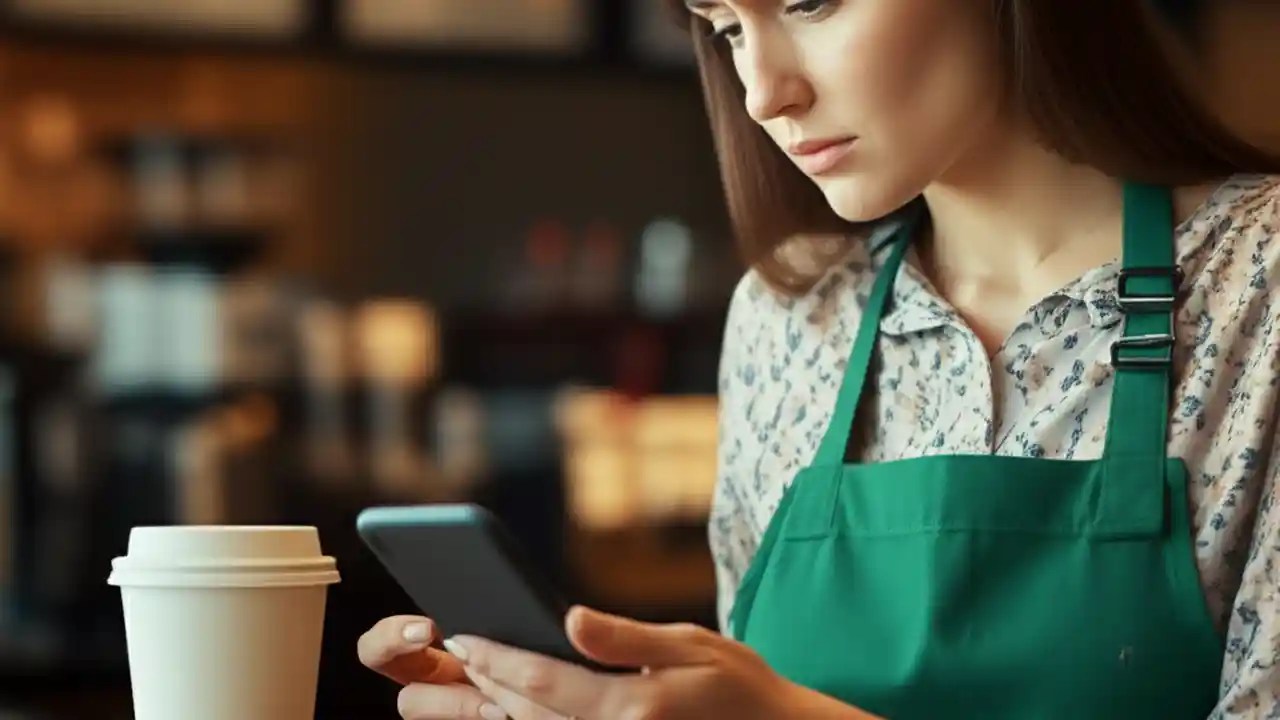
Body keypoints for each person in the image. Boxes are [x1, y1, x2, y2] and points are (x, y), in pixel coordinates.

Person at [358, 1, 1280, 718]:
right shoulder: (791, 317)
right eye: (724, 28)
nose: (764, 93)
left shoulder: (1260, 280)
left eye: (810, 3)